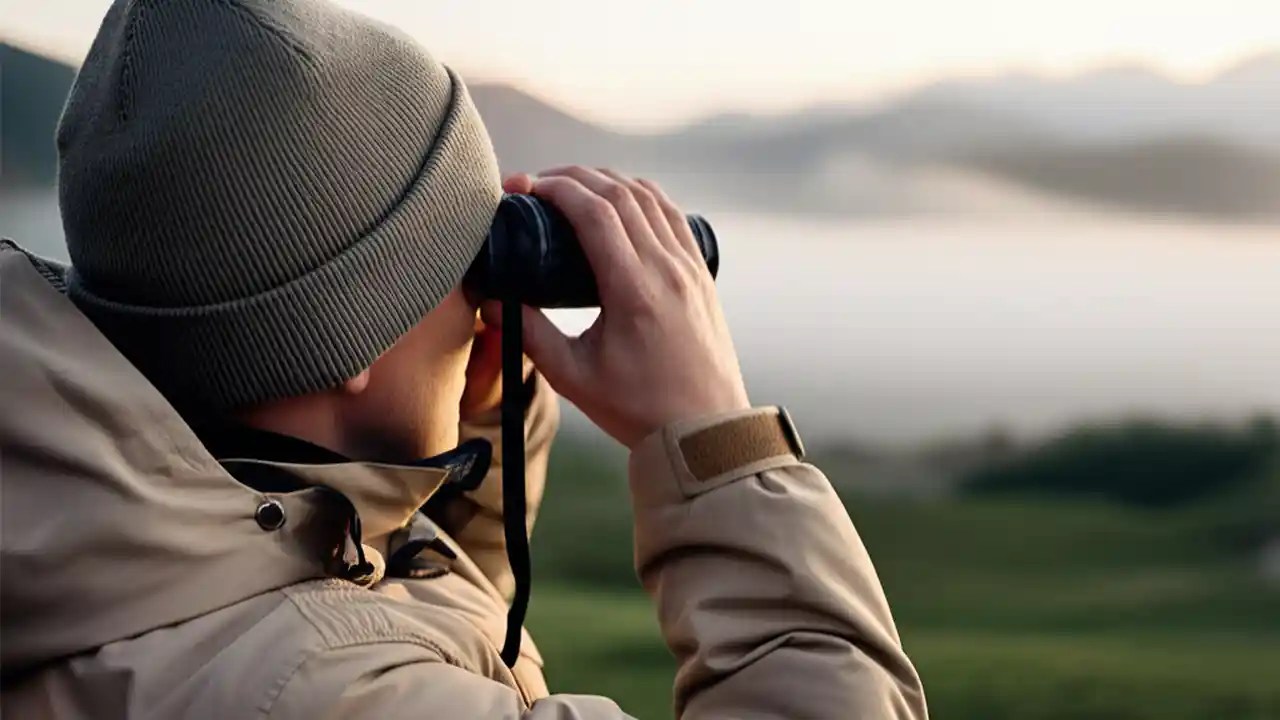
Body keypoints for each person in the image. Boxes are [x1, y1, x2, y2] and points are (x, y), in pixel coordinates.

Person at [0, 0, 928, 717]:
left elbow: (395, 616)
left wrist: (470, 416)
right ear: (350, 337)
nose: (482, 302)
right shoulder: (318, 694)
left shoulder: (126, 548)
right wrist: (715, 435)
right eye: (457, 263)